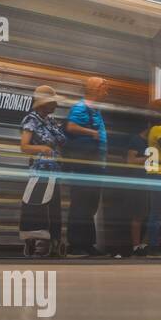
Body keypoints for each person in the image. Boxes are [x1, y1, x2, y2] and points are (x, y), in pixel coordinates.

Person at [64, 76, 110, 257]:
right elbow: (71, 126)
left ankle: (87, 244)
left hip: (95, 165)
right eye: (104, 88)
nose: (107, 91)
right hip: (84, 165)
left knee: (90, 206)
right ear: (94, 89)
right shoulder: (81, 107)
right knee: (80, 204)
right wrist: (92, 132)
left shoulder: (94, 109)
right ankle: (75, 245)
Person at [19, 85, 67, 257]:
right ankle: (31, 241)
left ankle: (55, 243)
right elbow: (24, 146)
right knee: (36, 206)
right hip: (39, 171)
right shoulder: (31, 120)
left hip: (54, 170)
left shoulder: (51, 121)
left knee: (54, 208)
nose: (55, 104)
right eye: (52, 101)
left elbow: (62, 141)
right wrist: (42, 148)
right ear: (43, 103)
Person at [134, 100, 161, 259]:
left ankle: (151, 245)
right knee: (156, 213)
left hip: (157, 173)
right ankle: (153, 247)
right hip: (158, 174)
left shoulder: (154, 130)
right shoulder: (159, 129)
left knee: (155, 212)